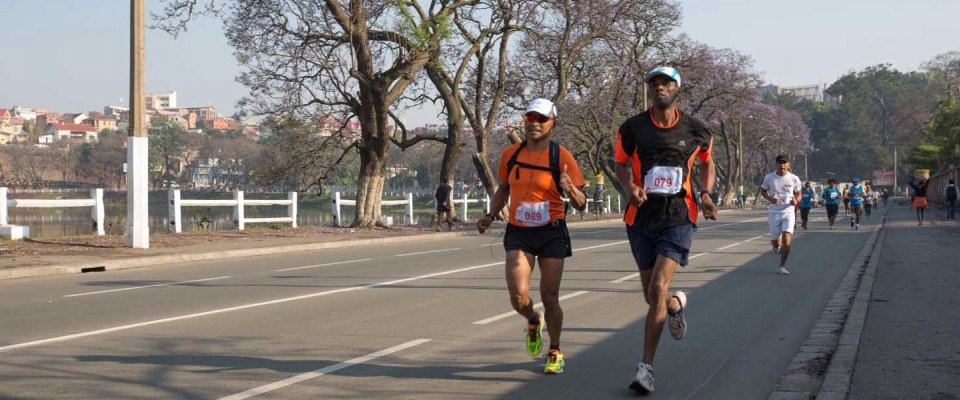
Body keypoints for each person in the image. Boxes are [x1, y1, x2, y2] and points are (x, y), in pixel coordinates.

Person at [613, 66, 718, 394]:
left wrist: (705, 193)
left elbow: (706, 162)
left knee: (657, 286)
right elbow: (619, 163)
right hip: (640, 218)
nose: (659, 88)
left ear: (677, 89)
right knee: (652, 296)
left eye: (666, 83)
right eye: (654, 84)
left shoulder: (697, 130)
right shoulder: (632, 128)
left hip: (678, 216)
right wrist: (630, 187)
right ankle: (675, 305)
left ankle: (646, 369)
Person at [477, 98, 586, 374]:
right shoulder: (511, 155)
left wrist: (570, 188)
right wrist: (490, 215)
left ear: (553, 123)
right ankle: (533, 320)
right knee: (518, 298)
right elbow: (503, 189)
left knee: (550, 296)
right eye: (530, 118)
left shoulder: (561, 156)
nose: (535, 123)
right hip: (519, 232)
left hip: (551, 231)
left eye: (542, 119)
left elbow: (582, 203)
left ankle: (555, 350)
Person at [760, 155, 803, 275]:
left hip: (789, 212)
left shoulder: (794, 178)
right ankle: (776, 246)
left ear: (789, 165)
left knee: (787, 241)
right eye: (780, 163)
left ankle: (782, 266)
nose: (782, 165)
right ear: (776, 164)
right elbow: (763, 191)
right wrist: (770, 199)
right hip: (774, 213)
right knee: (776, 243)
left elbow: (799, 194)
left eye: (785, 163)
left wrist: (796, 200)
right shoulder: (769, 178)